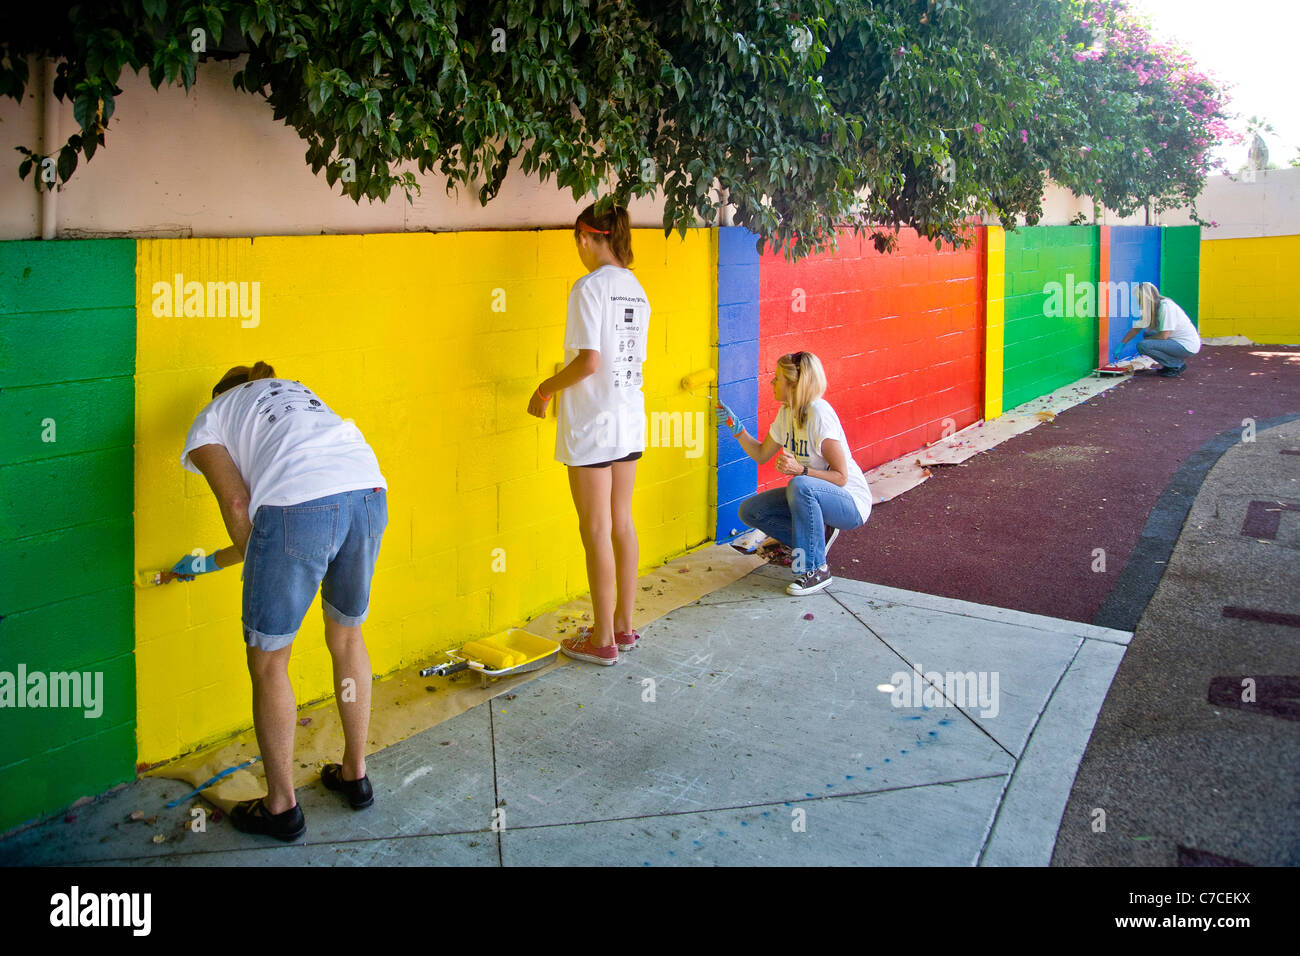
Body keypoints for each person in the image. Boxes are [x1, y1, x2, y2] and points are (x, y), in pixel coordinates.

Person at [167, 362, 388, 840]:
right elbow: (290, 515)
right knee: (347, 637)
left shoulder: (212, 416)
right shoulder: (294, 392)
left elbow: (238, 508)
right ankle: (355, 773)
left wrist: (261, 568)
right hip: (368, 492)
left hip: (299, 507)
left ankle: (281, 807)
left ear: (220, 393)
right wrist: (211, 562)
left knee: (268, 661)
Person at [527, 204, 649, 666]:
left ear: (584, 237)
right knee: (622, 522)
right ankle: (623, 625)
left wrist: (544, 389)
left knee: (595, 528)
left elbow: (588, 362)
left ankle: (601, 641)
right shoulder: (636, 289)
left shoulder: (588, 289)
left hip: (593, 423)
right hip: (628, 417)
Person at [717, 351, 871, 595]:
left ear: (794, 384)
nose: (772, 383)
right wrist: (736, 428)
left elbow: (841, 477)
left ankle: (815, 570)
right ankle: (814, 543)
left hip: (850, 502)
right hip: (815, 494)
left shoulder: (819, 414)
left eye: (777, 378)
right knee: (751, 510)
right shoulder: (786, 413)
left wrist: (801, 470)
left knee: (799, 484)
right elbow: (761, 454)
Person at [1113, 282, 1201, 378]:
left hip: (1186, 346)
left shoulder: (1166, 307)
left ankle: (1176, 365)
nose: (1138, 302)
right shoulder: (1152, 307)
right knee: (1148, 334)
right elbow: (1136, 329)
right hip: (1176, 341)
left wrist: (1146, 341)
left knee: (1143, 345)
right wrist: (1122, 344)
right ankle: (1170, 364)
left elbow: (1164, 336)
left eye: (1139, 299)